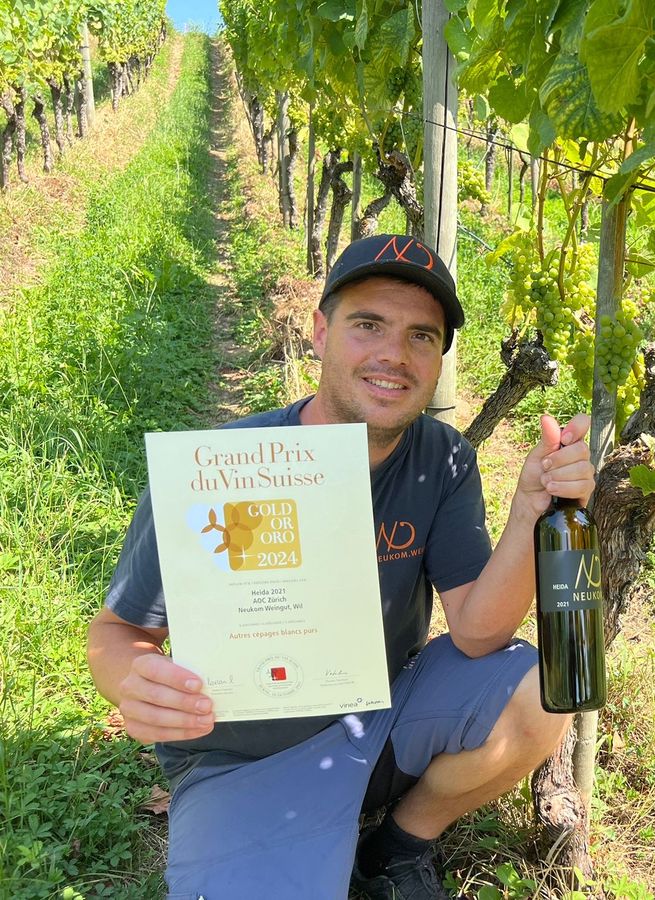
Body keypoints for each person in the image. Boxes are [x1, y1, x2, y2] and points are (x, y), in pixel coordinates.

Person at [86, 234, 595, 899]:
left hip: (377, 723)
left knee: (537, 689)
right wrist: (134, 684)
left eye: (421, 336)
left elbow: (476, 633)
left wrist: (529, 512)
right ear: (321, 332)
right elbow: (118, 634)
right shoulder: (220, 469)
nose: (394, 355)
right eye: (368, 325)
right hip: (242, 762)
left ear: (439, 359)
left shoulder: (441, 459)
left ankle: (399, 843)